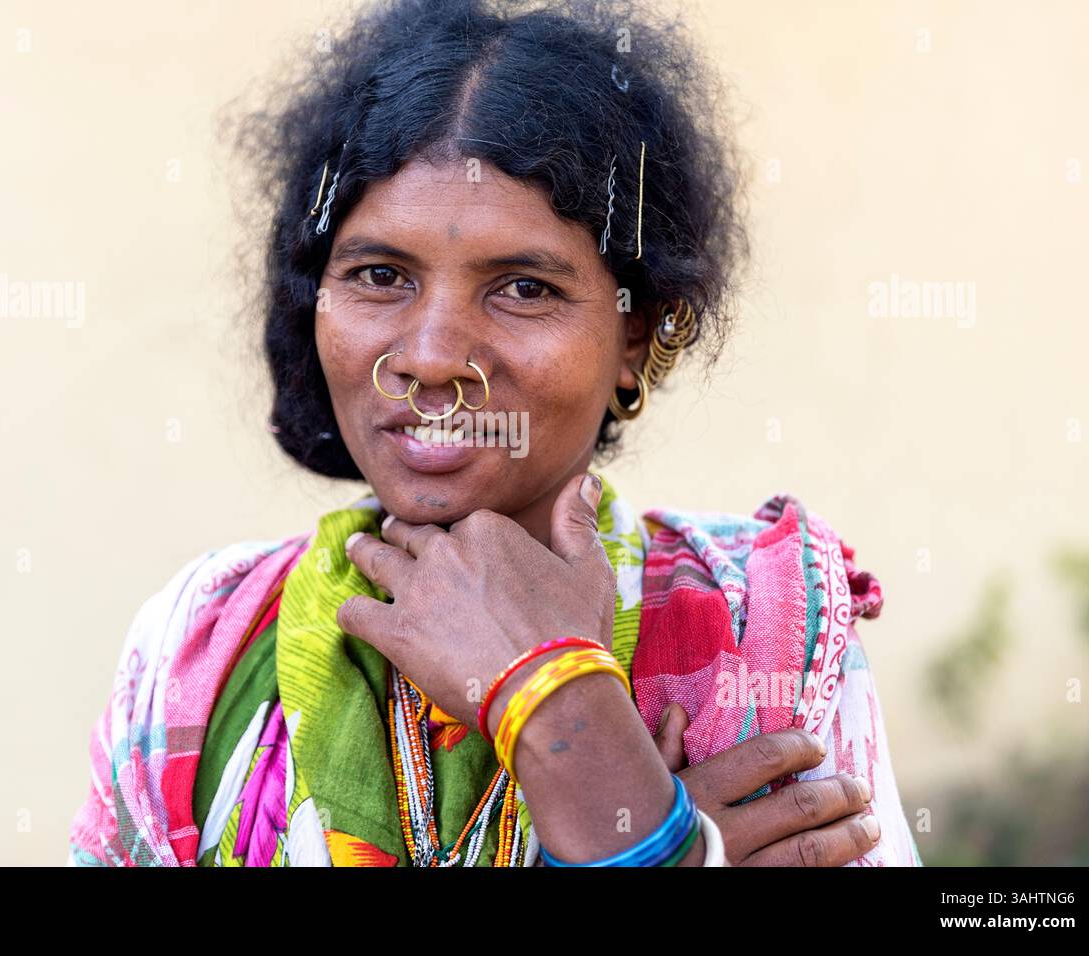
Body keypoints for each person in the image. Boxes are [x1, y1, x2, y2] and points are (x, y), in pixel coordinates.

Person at [68, 0, 921, 867]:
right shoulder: (205, 641)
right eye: (378, 275)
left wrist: (562, 702)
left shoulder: (758, 630)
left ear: (636, 333)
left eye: (523, 288)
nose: (433, 360)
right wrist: (649, 837)